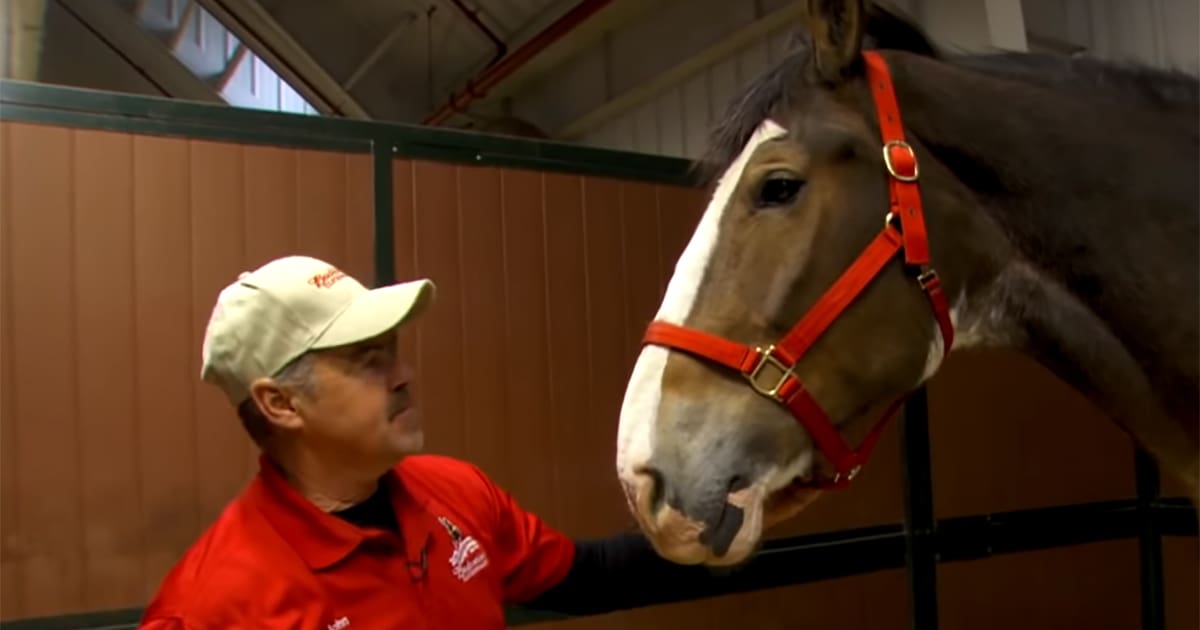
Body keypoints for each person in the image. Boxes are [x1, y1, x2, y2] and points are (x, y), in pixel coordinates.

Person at [138, 254, 789, 630]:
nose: (403, 374)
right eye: (367, 360)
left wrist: (723, 518)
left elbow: (585, 575)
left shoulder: (452, 489)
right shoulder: (210, 607)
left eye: (393, 350)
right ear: (280, 404)